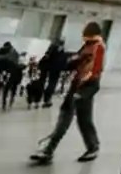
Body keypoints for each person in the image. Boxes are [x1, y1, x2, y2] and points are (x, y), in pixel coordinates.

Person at [30, 22, 106, 164]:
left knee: (83, 121)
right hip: (76, 86)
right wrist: (73, 61)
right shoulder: (87, 46)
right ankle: (48, 150)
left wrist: (83, 91)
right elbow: (75, 61)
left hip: (86, 87)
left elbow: (95, 71)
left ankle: (92, 147)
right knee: (65, 119)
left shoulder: (98, 47)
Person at [38, 40, 65, 108]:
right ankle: (47, 100)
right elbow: (62, 62)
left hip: (46, 68)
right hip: (55, 69)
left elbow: (46, 56)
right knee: (52, 84)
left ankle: (38, 98)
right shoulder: (61, 51)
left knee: (42, 82)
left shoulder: (51, 49)